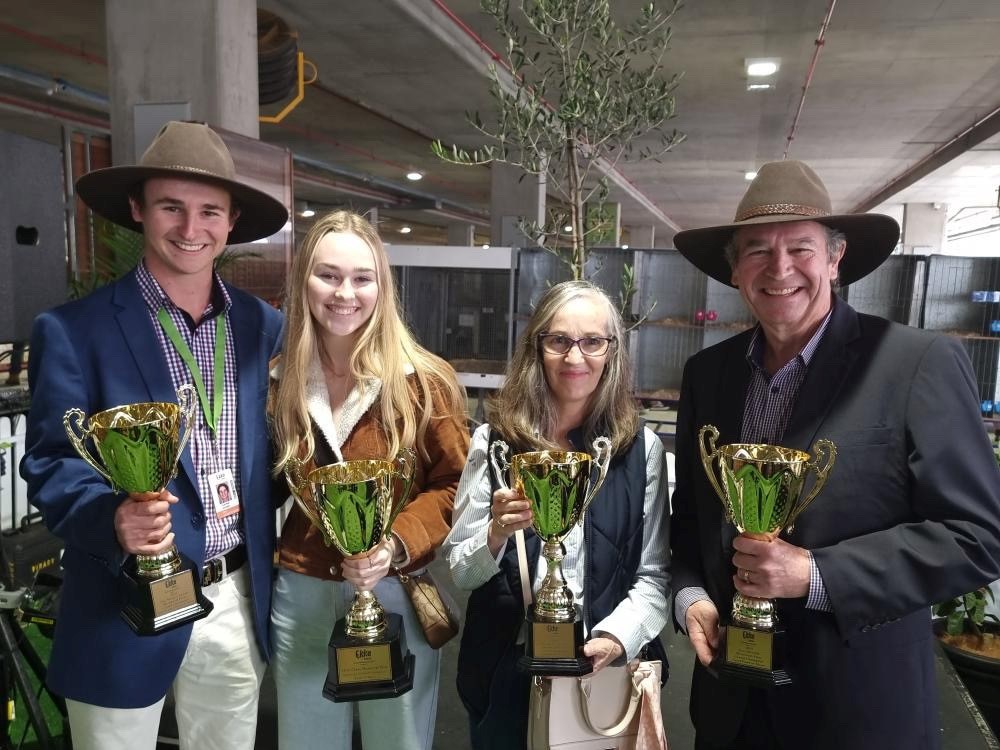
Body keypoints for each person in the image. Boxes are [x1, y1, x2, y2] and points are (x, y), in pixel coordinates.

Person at [669, 159, 1000, 750]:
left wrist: (815, 575)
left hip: (857, 713)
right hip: (731, 705)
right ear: (735, 268)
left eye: (801, 247)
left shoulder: (913, 364)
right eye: (757, 251)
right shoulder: (708, 374)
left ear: (835, 257)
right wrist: (691, 595)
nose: (780, 269)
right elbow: (692, 515)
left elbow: (978, 536)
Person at [20, 121, 289, 749]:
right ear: (139, 210)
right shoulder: (73, 331)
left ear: (230, 222)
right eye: (171, 207)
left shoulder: (262, 328)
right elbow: (52, 462)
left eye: (208, 212)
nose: (190, 229)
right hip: (121, 596)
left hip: (233, 595)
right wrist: (113, 517)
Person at [268, 210, 469, 750]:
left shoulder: (425, 382)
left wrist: (396, 544)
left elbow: (454, 485)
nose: (344, 293)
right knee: (305, 741)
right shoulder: (279, 381)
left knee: (397, 742)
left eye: (362, 277)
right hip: (304, 590)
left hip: (396, 589)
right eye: (327, 275)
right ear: (303, 280)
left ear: (382, 284)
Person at [444, 280, 671, 749]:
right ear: (537, 348)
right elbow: (461, 573)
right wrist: (494, 535)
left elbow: (654, 577)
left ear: (612, 351)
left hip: (601, 674)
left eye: (592, 341)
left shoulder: (640, 450)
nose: (575, 357)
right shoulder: (494, 445)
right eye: (559, 340)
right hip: (504, 675)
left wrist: (616, 638)